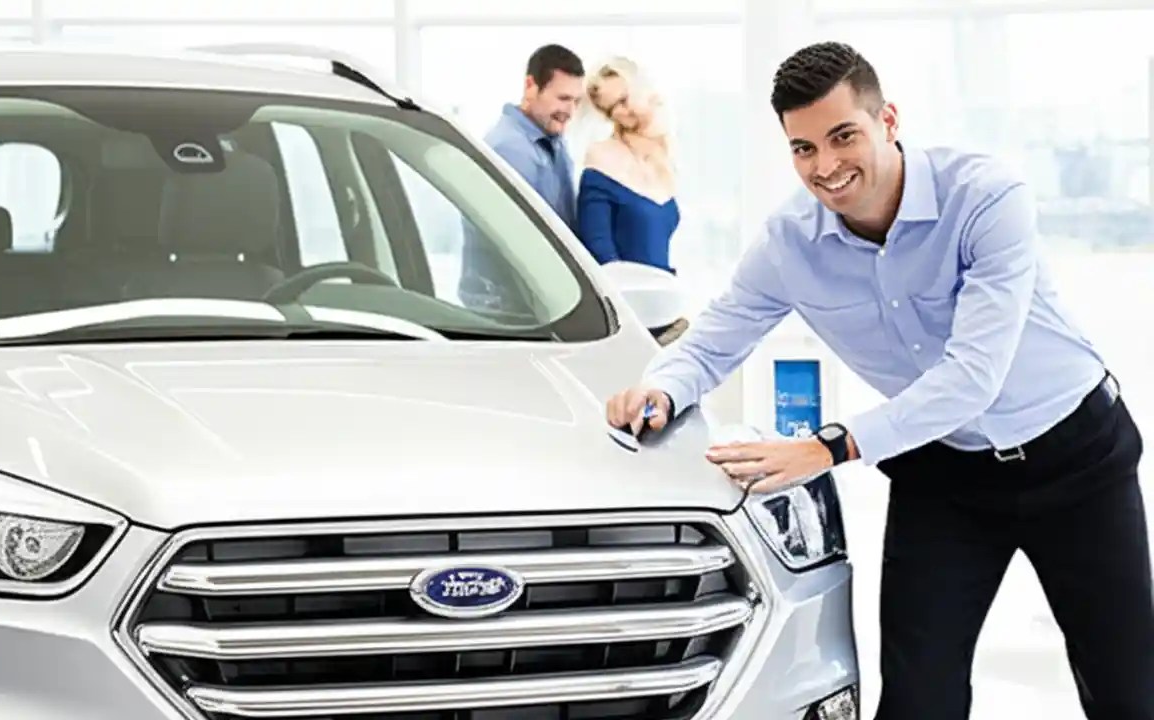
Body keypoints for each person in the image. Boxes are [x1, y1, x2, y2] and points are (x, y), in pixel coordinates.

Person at [605, 41, 1153, 720]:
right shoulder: (790, 243)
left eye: (843, 137)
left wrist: (827, 448)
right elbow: (716, 337)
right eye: (803, 149)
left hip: (1076, 456)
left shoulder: (985, 197)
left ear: (888, 120)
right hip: (947, 473)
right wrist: (662, 387)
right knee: (917, 699)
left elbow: (972, 376)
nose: (826, 167)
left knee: (1128, 690)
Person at [458, 44, 584, 311]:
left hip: (533, 304)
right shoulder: (509, 148)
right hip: (508, 311)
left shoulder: (553, 141)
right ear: (531, 86)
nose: (570, 111)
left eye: (576, 101)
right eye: (563, 98)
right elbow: (521, 246)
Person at [577, 56, 680, 274]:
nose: (620, 112)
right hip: (627, 298)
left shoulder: (660, 158)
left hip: (662, 295)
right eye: (610, 109)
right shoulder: (602, 157)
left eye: (624, 99)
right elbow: (599, 251)